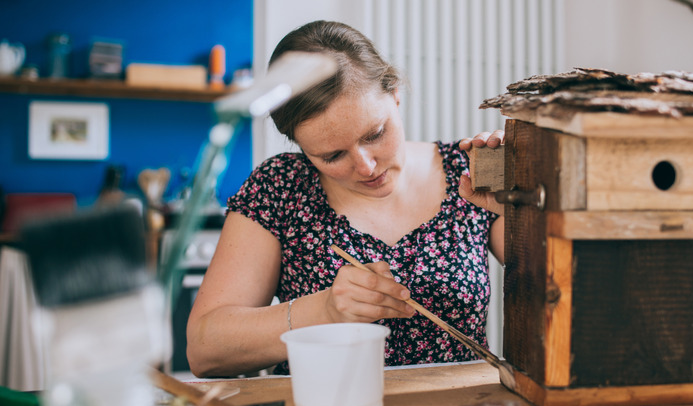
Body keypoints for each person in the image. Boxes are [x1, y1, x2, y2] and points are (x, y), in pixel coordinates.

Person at [186, 20, 505, 377]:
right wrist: (323, 310)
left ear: (395, 94)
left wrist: (523, 205)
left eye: (375, 134)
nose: (366, 166)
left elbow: (554, 291)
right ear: (301, 146)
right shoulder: (281, 187)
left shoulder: (467, 172)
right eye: (333, 156)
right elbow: (203, 350)